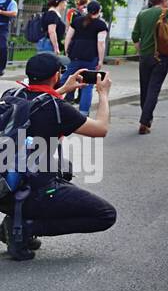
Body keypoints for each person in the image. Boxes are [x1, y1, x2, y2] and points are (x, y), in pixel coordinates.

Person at [0, 53, 116, 260]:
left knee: (62, 168)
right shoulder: (58, 108)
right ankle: (24, 227)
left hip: (4, 190)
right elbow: (101, 129)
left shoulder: (11, 95)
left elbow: (36, 104)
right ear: (56, 75)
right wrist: (103, 94)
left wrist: (61, 90)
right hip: (33, 193)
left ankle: (15, 222)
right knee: (106, 215)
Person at [130, 0, 168, 135]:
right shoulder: (166, 12)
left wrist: (141, 52)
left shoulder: (142, 14)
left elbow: (135, 36)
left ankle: (146, 120)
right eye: (167, 0)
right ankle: (144, 121)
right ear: (162, 1)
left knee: (145, 88)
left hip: (145, 57)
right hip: (161, 57)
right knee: (153, 90)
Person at [65, 1, 108, 116]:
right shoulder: (101, 25)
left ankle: (61, 106)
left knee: (66, 80)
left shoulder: (77, 21)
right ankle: (83, 113)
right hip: (90, 58)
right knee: (87, 86)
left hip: (75, 55)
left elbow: (68, 36)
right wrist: (100, 59)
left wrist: (67, 51)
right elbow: (101, 44)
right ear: (99, 11)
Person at [0, 0, 15, 74]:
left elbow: (14, 13)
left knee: (2, 47)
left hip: (2, 26)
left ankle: (1, 68)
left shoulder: (9, 1)